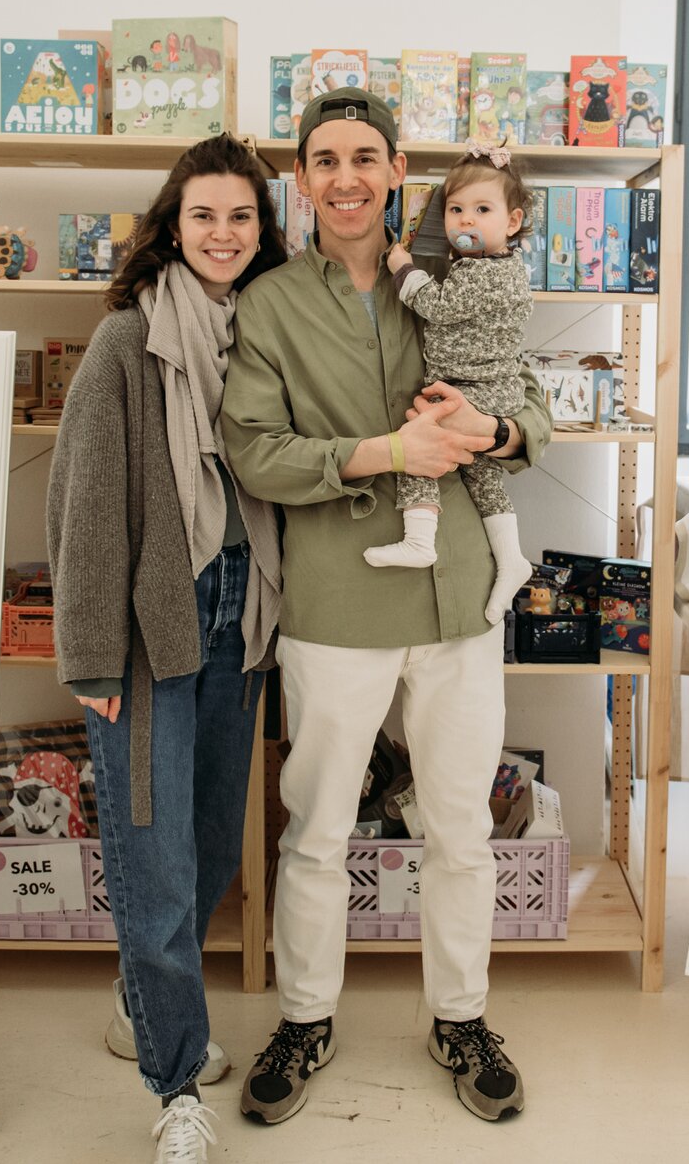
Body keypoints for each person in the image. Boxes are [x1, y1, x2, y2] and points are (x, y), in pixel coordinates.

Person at [221, 87, 552, 1126]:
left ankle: (458, 1017)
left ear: (396, 170)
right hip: (333, 606)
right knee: (315, 829)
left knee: (458, 828)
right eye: (325, 159)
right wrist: (386, 454)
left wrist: (490, 432)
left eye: (365, 156)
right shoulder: (268, 304)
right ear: (302, 177)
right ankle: (305, 1017)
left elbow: (530, 406)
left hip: (459, 602)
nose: (346, 177)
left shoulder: (466, 277)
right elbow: (254, 453)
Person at [46, 134, 287, 1164]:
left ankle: (141, 998)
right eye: (203, 217)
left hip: (243, 615)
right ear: (171, 227)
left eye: (240, 217)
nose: (222, 235)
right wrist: (90, 657)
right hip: (151, 624)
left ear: (261, 230)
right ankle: (175, 1082)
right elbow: (83, 504)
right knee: (155, 858)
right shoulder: (127, 341)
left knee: (213, 848)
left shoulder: (273, 332)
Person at [365, 142, 536, 622]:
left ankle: (419, 538)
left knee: (418, 443)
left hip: (477, 388)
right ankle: (512, 559)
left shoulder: (486, 274)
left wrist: (402, 267)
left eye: (482, 210)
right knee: (482, 475)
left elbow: (437, 306)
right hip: (487, 386)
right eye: (456, 210)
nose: (465, 221)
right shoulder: (486, 266)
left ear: (512, 221)